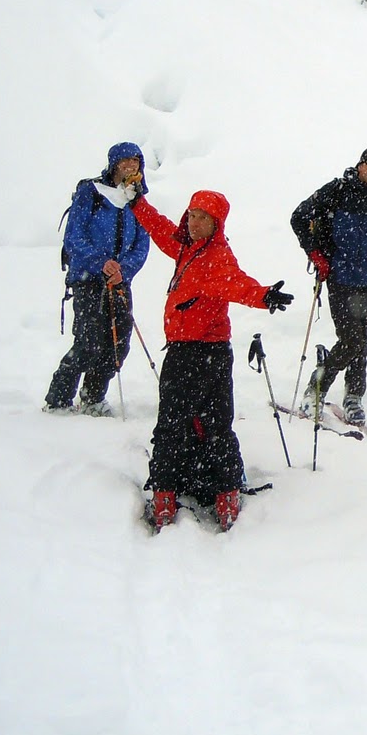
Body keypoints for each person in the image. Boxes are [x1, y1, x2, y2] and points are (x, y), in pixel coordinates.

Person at [131, 187, 293, 532]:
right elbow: (160, 229)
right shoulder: (186, 248)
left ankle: (207, 496)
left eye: (203, 218)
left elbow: (238, 285)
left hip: (202, 353)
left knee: (196, 426)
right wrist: (138, 204)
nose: (194, 222)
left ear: (216, 223)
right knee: (194, 425)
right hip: (193, 352)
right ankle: (188, 494)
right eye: (192, 215)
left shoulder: (216, 256)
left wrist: (264, 296)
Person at [290, 146, 367, 425]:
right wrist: (315, 253)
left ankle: (354, 395)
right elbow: (298, 217)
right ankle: (316, 388)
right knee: (352, 340)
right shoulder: (336, 191)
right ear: (360, 165)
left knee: (362, 342)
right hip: (339, 277)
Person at [45, 142, 151, 416]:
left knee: (118, 344)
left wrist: (123, 270)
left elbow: (142, 245)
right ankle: (58, 400)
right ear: (114, 165)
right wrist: (101, 263)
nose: (131, 166)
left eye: (136, 161)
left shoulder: (138, 200)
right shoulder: (90, 193)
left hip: (119, 281)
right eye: (125, 161)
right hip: (88, 279)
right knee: (88, 342)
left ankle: (93, 397)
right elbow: (74, 237)